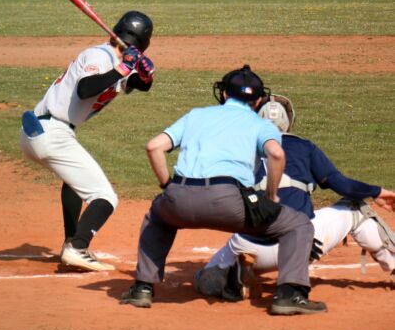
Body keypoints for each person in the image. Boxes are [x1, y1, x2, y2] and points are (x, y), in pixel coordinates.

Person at [121, 65, 327, 315]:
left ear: (224, 94)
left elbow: (154, 147)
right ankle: (290, 294)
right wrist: (271, 197)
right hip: (230, 202)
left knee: (157, 216)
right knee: (298, 225)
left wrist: (168, 186)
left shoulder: (196, 115)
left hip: (180, 198)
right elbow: (276, 153)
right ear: (259, 100)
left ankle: (143, 287)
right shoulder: (260, 123)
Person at [194, 94, 395, 299]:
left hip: (251, 247)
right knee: (355, 209)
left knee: (206, 277)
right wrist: (377, 192)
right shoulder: (304, 147)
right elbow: (343, 186)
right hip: (300, 244)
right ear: (288, 121)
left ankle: (234, 273)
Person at [19, 11, 155, 272]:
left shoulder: (115, 60)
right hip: (51, 132)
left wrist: (145, 77)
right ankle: (78, 247)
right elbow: (85, 89)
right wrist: (124, 68)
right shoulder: (99, 56)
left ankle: (71, 240)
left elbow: (134, 83)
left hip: (44, 132)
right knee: (105, 196)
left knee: (74, 183)